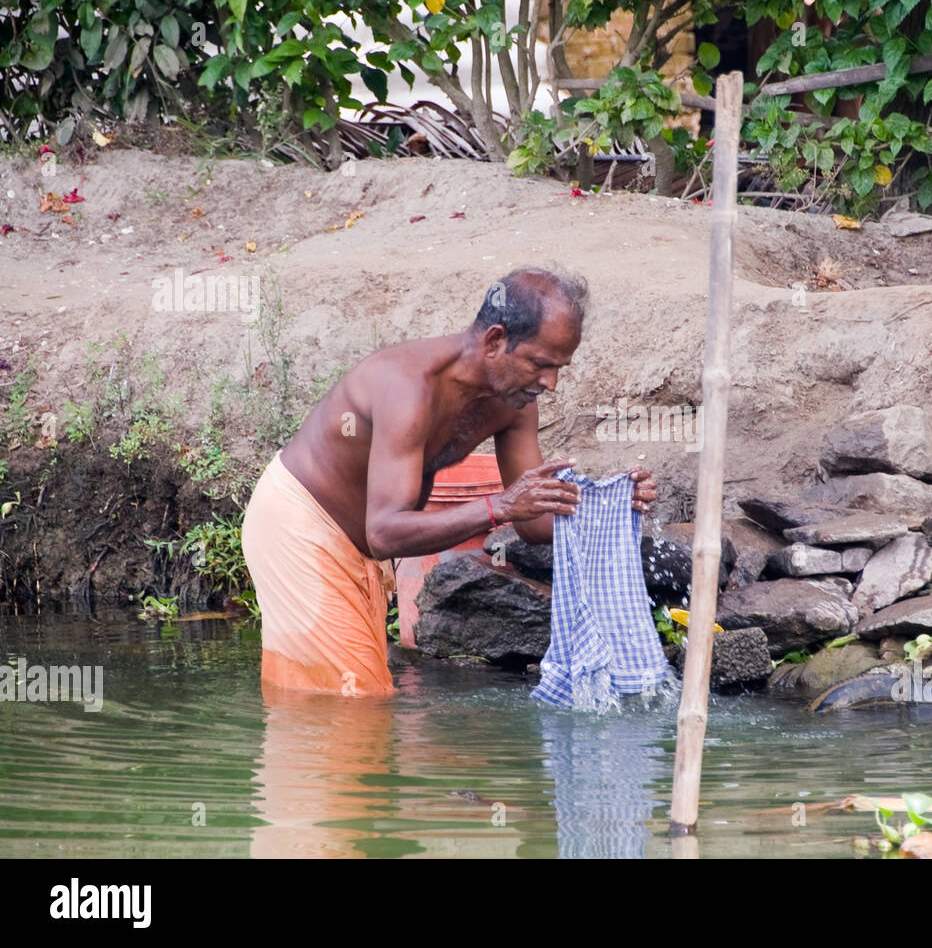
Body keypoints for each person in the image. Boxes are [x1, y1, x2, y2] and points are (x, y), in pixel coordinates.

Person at [241, 266, 659, 697]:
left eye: (559, 368)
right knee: (351, 704)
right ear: (495, 341)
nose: (550, 384)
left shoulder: (515, 404)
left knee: (341, 700)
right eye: (540, 364)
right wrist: (499, 507)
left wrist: (607, 504)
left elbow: (534, 527)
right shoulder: (409, 386)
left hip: (361, 548)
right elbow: (385, 531)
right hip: (300, 525)